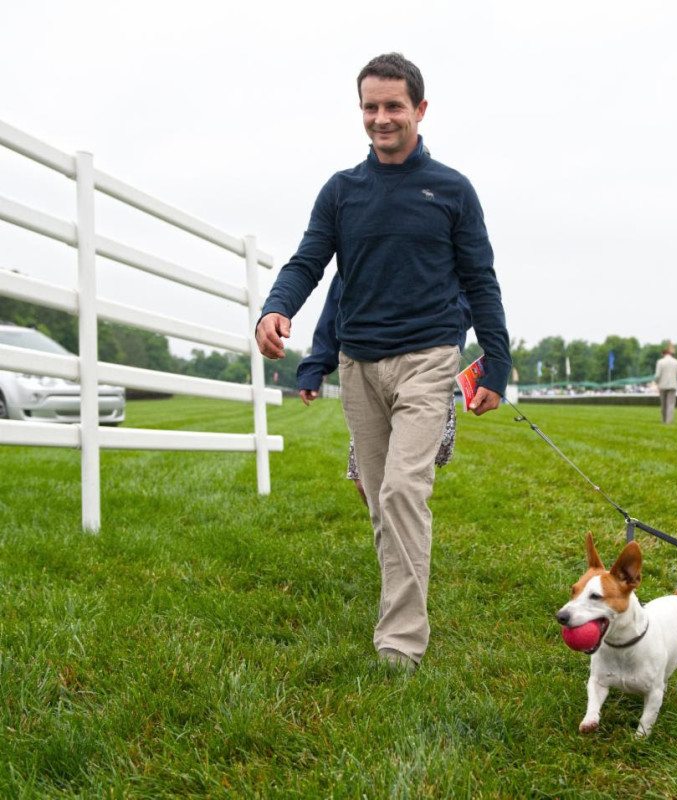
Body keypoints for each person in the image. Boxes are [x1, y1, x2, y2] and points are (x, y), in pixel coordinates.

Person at [256, 53, 511, 673]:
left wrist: (496, 364)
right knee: (379, 499)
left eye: (394, 106)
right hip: (359, 365)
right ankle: (401, 601)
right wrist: (276, 307)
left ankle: (400, 639)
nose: (381, 118)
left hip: (429, 357)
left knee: (402, 490)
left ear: (420, 109)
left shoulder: (451, 190)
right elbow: (307, 261)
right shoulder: (341, 191)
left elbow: (481, 280)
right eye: (370, 107)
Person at [296, 274, 471, 504]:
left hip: (425, 368)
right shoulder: (362, 253)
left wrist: (430, 323)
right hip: (370, 367)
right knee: (365, 482)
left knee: (403, 481)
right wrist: (317, 364)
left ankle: (403, 524)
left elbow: (472, 293)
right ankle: (390, 527)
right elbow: (338, 305)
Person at [654, 342, 677, 424]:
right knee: (670, 404)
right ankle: (669, 421)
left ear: (663, 354)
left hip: (662, 385)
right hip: (673, 385)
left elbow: (657, 375)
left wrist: (656, 382)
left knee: (663, 404)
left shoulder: (660, 362)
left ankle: (663, 419)